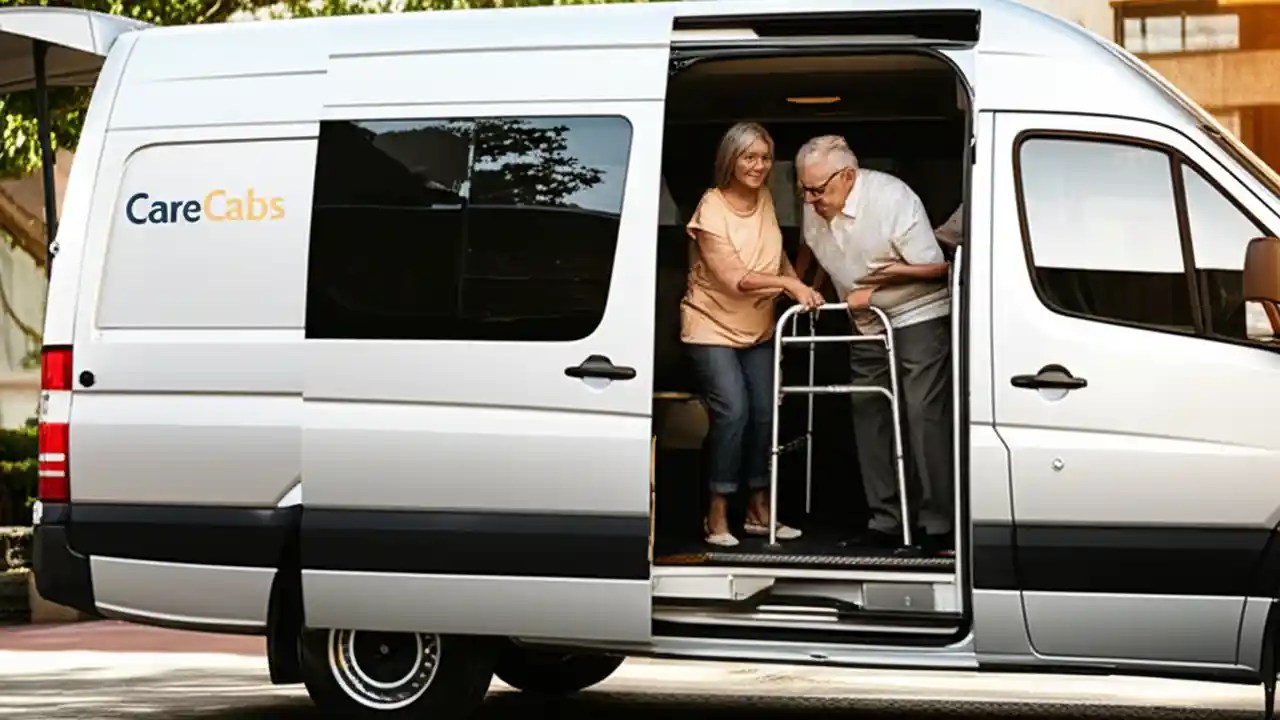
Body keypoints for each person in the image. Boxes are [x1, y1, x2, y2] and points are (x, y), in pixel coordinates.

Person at [793, 135, 955, 556]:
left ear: (847, 177)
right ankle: (885, 522)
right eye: (803, 189)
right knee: (869, 413)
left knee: (921, 413)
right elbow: (817, 250)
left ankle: (938, 526)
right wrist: (801, 286)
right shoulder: (815, 204)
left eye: (817, 190)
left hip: (917, 312)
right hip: (863, 319)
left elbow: (938, 269)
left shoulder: (891, 198)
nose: (808, 199)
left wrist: (878, 290)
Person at [681, 121, 824, 548]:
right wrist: (789, 285)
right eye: (749, 157)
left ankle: (760, 509)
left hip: (758, 327)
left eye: (764, 157)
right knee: (733, 412)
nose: (759, 166)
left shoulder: (764, 198)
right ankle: (717, 512)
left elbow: (775, 257)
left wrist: (803, 285)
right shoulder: (711, 208)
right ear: (731, 159)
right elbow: (735, 278)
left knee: (765, 413)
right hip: (710, 325)